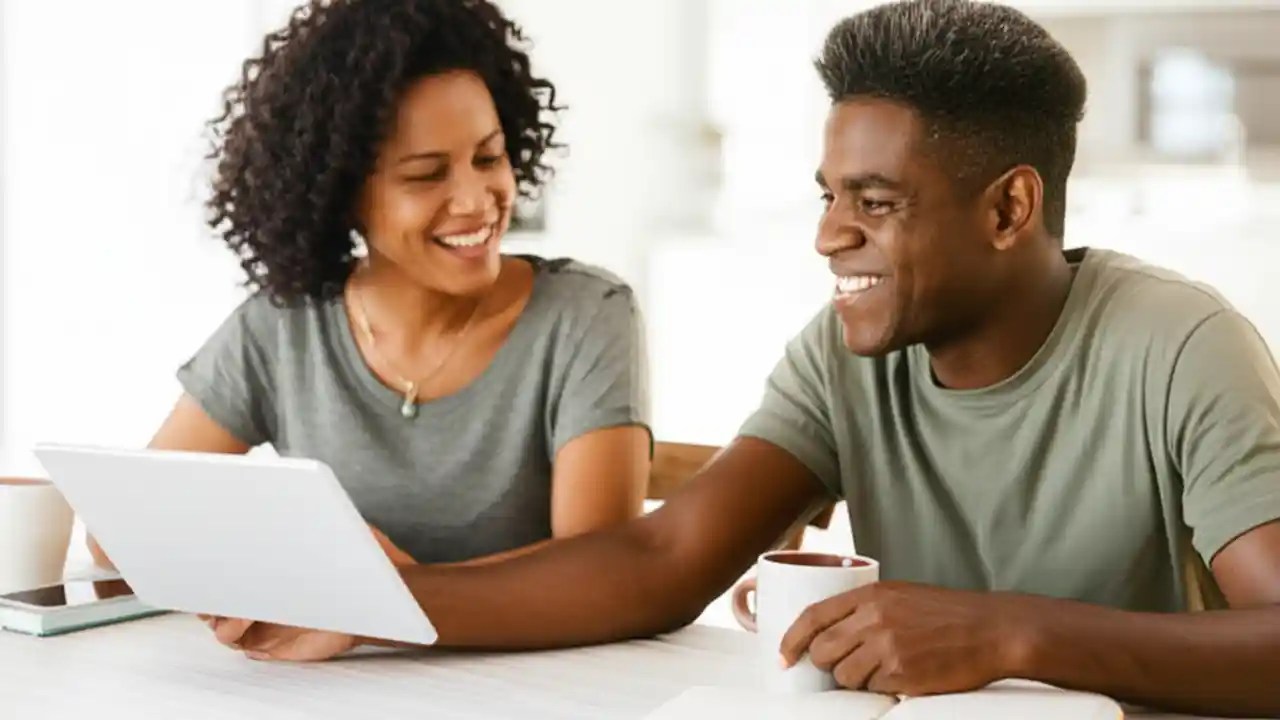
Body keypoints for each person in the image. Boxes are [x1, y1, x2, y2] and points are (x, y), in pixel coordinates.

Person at [222, 1, 1280, 715]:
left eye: (874, 204)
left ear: (1008, 206)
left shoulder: (1179, 345)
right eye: (828, 197)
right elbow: (656, 561)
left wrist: (1011, 633)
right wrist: (368, 609)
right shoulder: (843, 351)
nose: (828, 236)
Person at [88, 0, 652, 620]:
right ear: (341, 193)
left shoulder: (585, 317)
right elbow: (121, 534)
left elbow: (602, 569)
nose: (476, 200)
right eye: (426, 175)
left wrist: (382, 596)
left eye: (488, 158)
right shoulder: (283, 327)